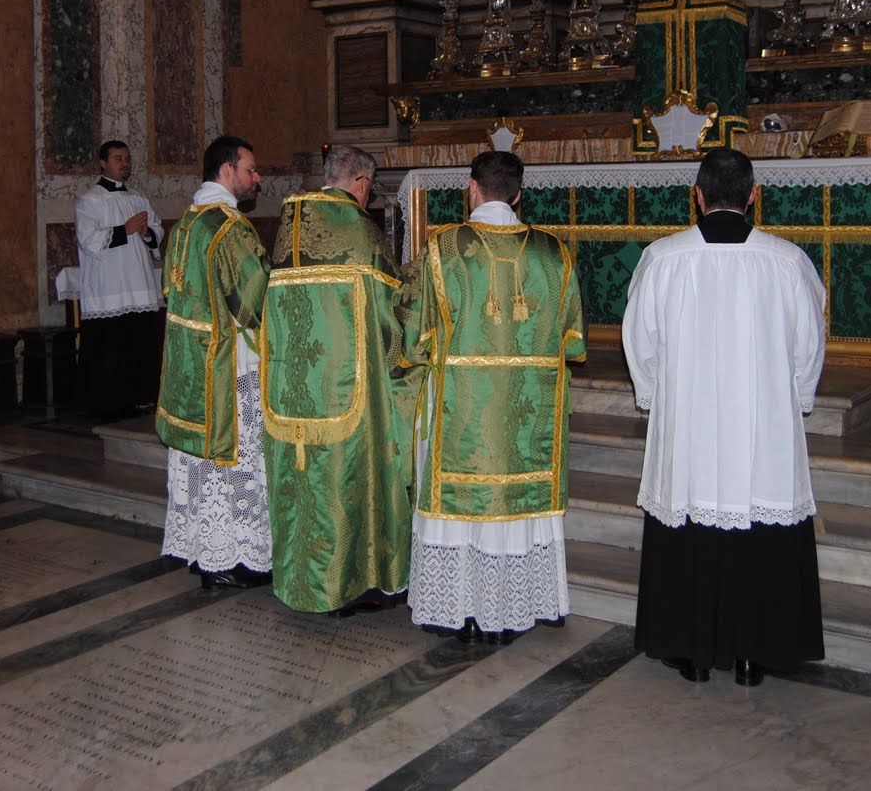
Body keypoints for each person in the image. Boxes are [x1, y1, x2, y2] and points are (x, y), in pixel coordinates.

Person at [621, 147, 827, 687]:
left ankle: (689, 649)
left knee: (688, 514)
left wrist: (654, 395)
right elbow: (810, 345)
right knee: (760, 518)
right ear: (754, 196)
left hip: (688, 424)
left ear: (698, 196)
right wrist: (797, 398)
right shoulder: (787, 260)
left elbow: (638, 341)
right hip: (764, 428)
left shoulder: (663, 258)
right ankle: (755, 654)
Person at [396, 150, 585, 641]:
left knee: (461, 495)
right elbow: (573, 339)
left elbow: (415, 335)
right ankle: (520, 603)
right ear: (518, 194)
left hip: (463, 407)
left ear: (471, 188)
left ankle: (455, 607)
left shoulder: (441, 250)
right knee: (517, 500)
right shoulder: (554, 253)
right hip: (528, 414)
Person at [260, 145, 411, 615]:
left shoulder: (287, 228)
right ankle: (353, 583)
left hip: (291, 386)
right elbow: (390, 318)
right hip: (350, 386)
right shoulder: (361, 233)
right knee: (350, 480)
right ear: (362, 184)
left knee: (302, 482)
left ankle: (301, 580)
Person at [156, 135, 272, 588]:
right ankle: (237, 558)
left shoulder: (184, 224)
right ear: (226, 171)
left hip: (190, 363)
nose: (256, 177)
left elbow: (170, 289)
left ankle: (207, 554)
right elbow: (255, 300)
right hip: (229, 363)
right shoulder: (229, 228)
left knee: (200, 465)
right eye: (250, 169)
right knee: (234, 456)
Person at [74, 140, 163, 422]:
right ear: (102, 163)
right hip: (109, 288)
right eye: (117, 158)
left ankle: (140, 397)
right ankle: (107, 405)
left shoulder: (138, 199)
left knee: (138, 344)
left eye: (126, 159)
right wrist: (123, 230)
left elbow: (157, 233)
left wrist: (149, 232)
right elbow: (88, 239)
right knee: (110, 348)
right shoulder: (91, 200)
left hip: (138, 286)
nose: (124, 163)